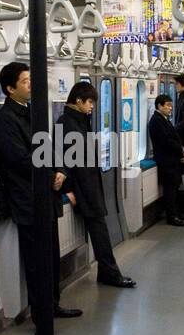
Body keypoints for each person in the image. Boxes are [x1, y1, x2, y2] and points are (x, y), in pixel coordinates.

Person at [0, 61, 82, 323]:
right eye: (25, 81)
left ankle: (52, 305)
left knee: (50, 256)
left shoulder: (32, 113)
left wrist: (61, 171)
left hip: (46, 196)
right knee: (37, 261)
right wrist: (51, 174)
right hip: (28, 200)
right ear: (10, 88)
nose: (32, 85)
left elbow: (49, 147)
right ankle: (41, 316)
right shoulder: (5, 122)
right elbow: (19, 160)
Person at [56, 81, 135, 288]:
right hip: (82, 186)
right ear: (78, 101)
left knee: (100, 227)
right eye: (89, 102)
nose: (92, 106)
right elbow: (61, 160)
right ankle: (110, 272)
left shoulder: (80, 120)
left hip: (89, 183)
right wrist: (68, 189)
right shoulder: (66, 123)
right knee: (99, 229)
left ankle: (107, 271)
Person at [148, 94, 184, 226]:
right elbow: (167, 141)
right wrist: (180, 152)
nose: (170, 108)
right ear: (159, 106)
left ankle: (176, 212)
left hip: (172, 159)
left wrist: (181, 151)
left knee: (174, 188)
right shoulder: (156, 121)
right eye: (168, 105)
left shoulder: (164, 119)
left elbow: (174, 137)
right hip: (166, 160)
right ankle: (172, 216)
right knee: (169, 189)